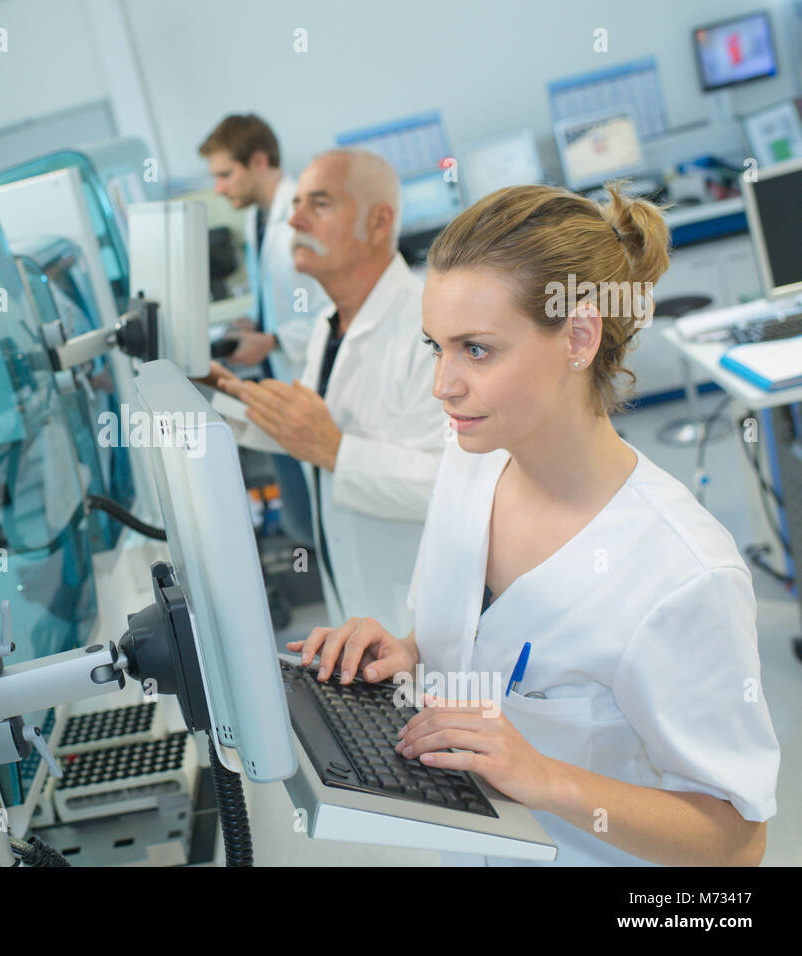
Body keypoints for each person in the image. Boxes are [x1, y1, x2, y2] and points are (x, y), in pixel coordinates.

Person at [290, 183, 779, 866]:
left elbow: (737, 841)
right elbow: (477, 639)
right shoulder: (471, 466)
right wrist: (407, 653)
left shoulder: (683, 575)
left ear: (579, 336)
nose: (442, 384)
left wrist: (549, 778)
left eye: (477, 351)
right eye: (437, 347)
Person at [216, 148, 446, 636]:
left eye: (319, 204)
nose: (294, 220)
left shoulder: (431, 328)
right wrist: (223, 399)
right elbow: (315, 435)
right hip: (360, 608)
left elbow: (452, 488)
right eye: (296, 203)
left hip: (425, 628)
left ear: (379, 221)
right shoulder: (330, 326)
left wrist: (336, 451)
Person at [199, 114, 329, 545]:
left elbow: (336, 314)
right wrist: (254, 325)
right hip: (285, 382)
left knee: (318, 521)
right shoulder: (259, 220)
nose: (218, 187)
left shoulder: (300, 217)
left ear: (258, 160)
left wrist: (273, 340)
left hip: (315, 387)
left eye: (224, 174)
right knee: (303, 521)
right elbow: (285, 300)